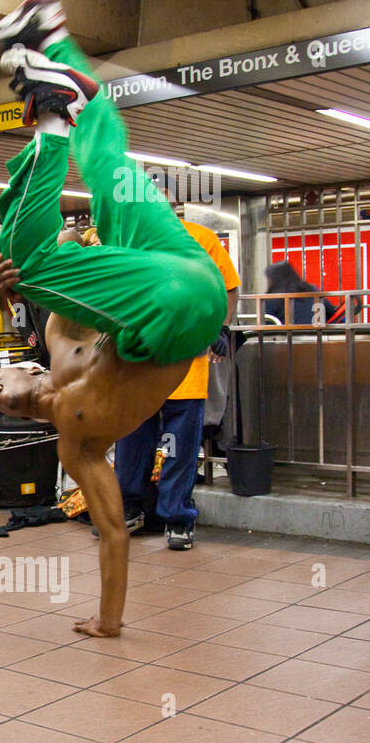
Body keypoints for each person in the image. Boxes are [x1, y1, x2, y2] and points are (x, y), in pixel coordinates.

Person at [0, 0, 226, 638]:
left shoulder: (63, 335)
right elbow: (112, 533)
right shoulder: (79, 444)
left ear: (31, 367)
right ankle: (53, 110)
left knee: (108, 168)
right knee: (32, 259)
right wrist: (109, 621)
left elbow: (61, 251)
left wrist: (13, 284)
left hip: (175, 271)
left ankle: (54, 42)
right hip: (181, 311)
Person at [114, 220, 239, 551]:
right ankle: (130, 510)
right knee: (131, 446)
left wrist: (221, 329)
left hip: (185, 367)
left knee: (178, 449)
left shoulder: (201, 238)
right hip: (137, 367)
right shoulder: (126, 237)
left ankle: (178, 519)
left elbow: (228, 288)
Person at [263, 261, 341, 325]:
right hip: (318, 337)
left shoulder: (273, 297)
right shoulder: (312, 289)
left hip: (288, 339)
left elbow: (267, 322)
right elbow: (331, 312)